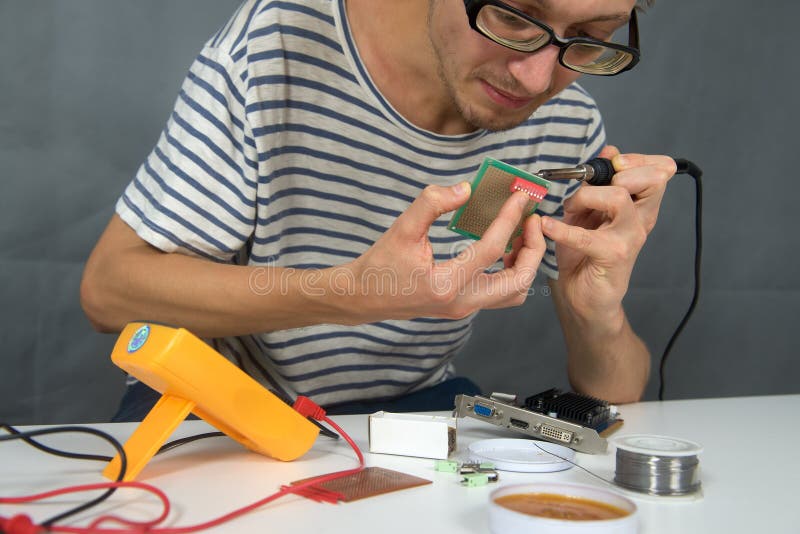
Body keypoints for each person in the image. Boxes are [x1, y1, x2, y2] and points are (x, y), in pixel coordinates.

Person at [80, 0, 675, 421]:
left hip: (407, 410)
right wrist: (353, 293)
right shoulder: (277, 46)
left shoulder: (565, 120)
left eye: (590, 36)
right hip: (220, 399)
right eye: (514, 16)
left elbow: (618, 398)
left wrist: (595, 311)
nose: (537, 78)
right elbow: (109, 292)